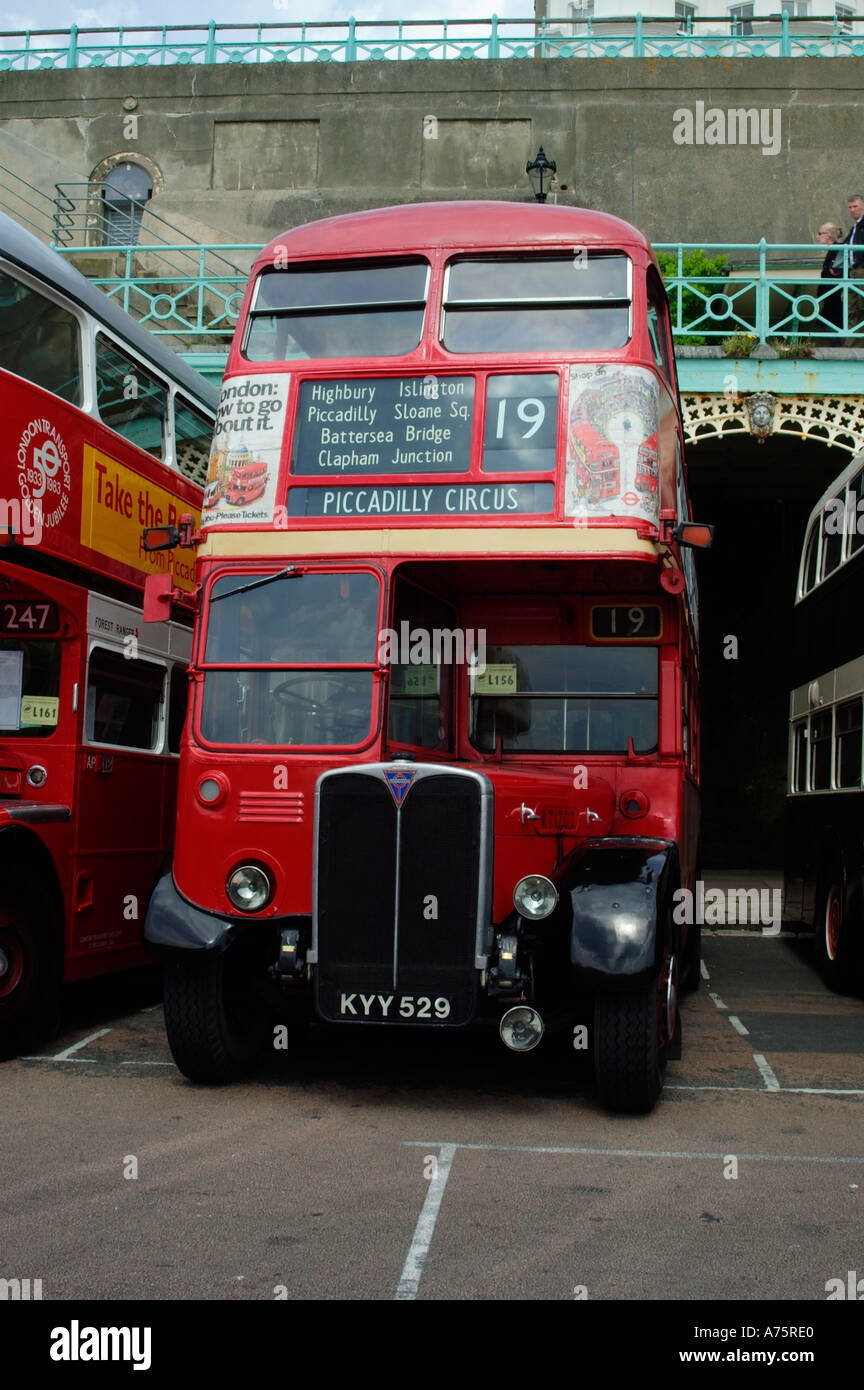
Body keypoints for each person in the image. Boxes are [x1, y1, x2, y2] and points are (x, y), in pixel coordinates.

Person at [842, 193, 864, 346]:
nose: (852, 210)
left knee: (861, 308)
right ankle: (851, 345)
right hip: (853, 271)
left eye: (855, 206)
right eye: (850, 207)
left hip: (862, 270)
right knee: (852, 309)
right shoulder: (855, 228)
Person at [817, 221, 845, 330]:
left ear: (828, 235)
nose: (818, 236)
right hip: (831, 293)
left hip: (835, 293)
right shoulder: (833, 250)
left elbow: (838, 270)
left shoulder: (837, 250)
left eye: (820, 233)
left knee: (835, 323)